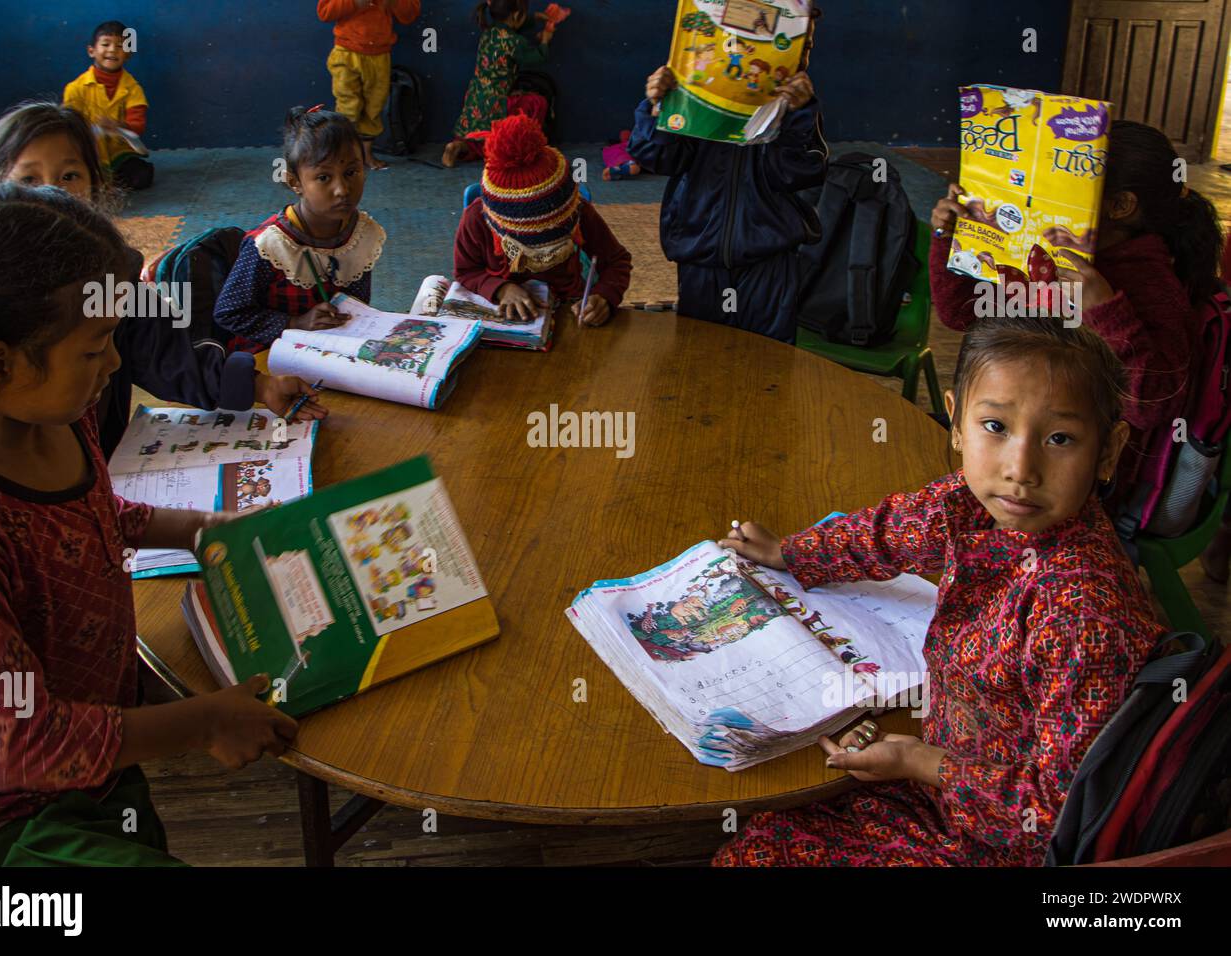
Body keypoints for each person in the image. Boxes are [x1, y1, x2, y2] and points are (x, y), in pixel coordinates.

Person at [0, 184, 297, 865]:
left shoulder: (60, 418)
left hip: (101, 752)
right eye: (96, 346)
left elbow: (96, 515)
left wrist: (204, 527)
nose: (116, 363)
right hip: (4, 824)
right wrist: (205, 720)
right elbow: (18, 746)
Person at [715, 316, 1164, 866]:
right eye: (995, 427)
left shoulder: (1081, 614)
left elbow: (1056, 817)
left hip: (990, 842)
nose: (1021, 469)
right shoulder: (974, 505)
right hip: (941, 774)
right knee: (757, 827)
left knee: (754, 852)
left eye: (1060, 439)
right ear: (955, 423)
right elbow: (893, 530)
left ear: (1109, 450)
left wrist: (922, 763)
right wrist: (792, 553)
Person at [0, 100, 325, 459]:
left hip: (99, 465)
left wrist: (259, 386)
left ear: (96, 186)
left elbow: (166, 353)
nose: (52, 194)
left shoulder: (114, 274)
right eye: (28, 180)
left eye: (69, 176)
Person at [930, 120, 1222, 512]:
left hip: (1080, 480)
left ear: (1120, 206)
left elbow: (1150, 406)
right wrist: (952, 237)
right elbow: (958, 312)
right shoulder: (1047, 251)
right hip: (1013, 432)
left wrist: (1106, 311)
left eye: (1060, 183)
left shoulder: (1152, 285)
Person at [627, 65, 827, 342]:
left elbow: (798, 173)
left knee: (770, 362)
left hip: (768, 256)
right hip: (700, 250)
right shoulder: (692, 86)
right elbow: (657, 158)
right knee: (699, 356)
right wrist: (658, 106)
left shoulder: (791, 102)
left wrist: (799, 115)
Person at [214, 107, 385, 348]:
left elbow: (357, 303)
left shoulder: (361, 235)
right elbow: (228, 313)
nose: (342, 190)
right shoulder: (269, 246)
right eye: (324, 177)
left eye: (351, 172)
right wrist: (294, 323)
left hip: (331, 346)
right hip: (270, 353)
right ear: (295, 182)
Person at [454, 114, 630, 326]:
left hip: (568, 307)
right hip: (500, 312)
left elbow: (616, 261)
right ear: (497, 223)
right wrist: (501, 288)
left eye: (554, 234)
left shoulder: (577, 209)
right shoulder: (476, 218)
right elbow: (466, 271)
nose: (541, 249)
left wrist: (604, 296)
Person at [443, 0, 557, 167]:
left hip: (475, 99)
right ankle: (521, 148)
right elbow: (536, 57)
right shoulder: (515, 41)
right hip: (498, 102)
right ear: (516, 15)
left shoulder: (488, 33)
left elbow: (514, 26)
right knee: (536, 102)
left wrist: (535, 18)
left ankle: (458, 145)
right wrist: (545, 40)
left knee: (476, 137)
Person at [317, 0, 422, 170]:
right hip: (346, 52)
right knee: (348, 106)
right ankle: (344, 155)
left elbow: (409, 15)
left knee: (374, 107)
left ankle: (365, 155)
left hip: (379, 55)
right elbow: (324, 13)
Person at [62, 19, 154, 190]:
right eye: (105, 44)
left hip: (118, 153)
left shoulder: (133, 89)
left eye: (120, 46)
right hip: (88, 152)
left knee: (141, 177)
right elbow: (69, 126)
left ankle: (106, 181)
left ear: (128, 54)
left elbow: (138, 126)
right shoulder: (75, 89)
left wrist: (117, 126)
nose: (112, 50)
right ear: (91, 51)